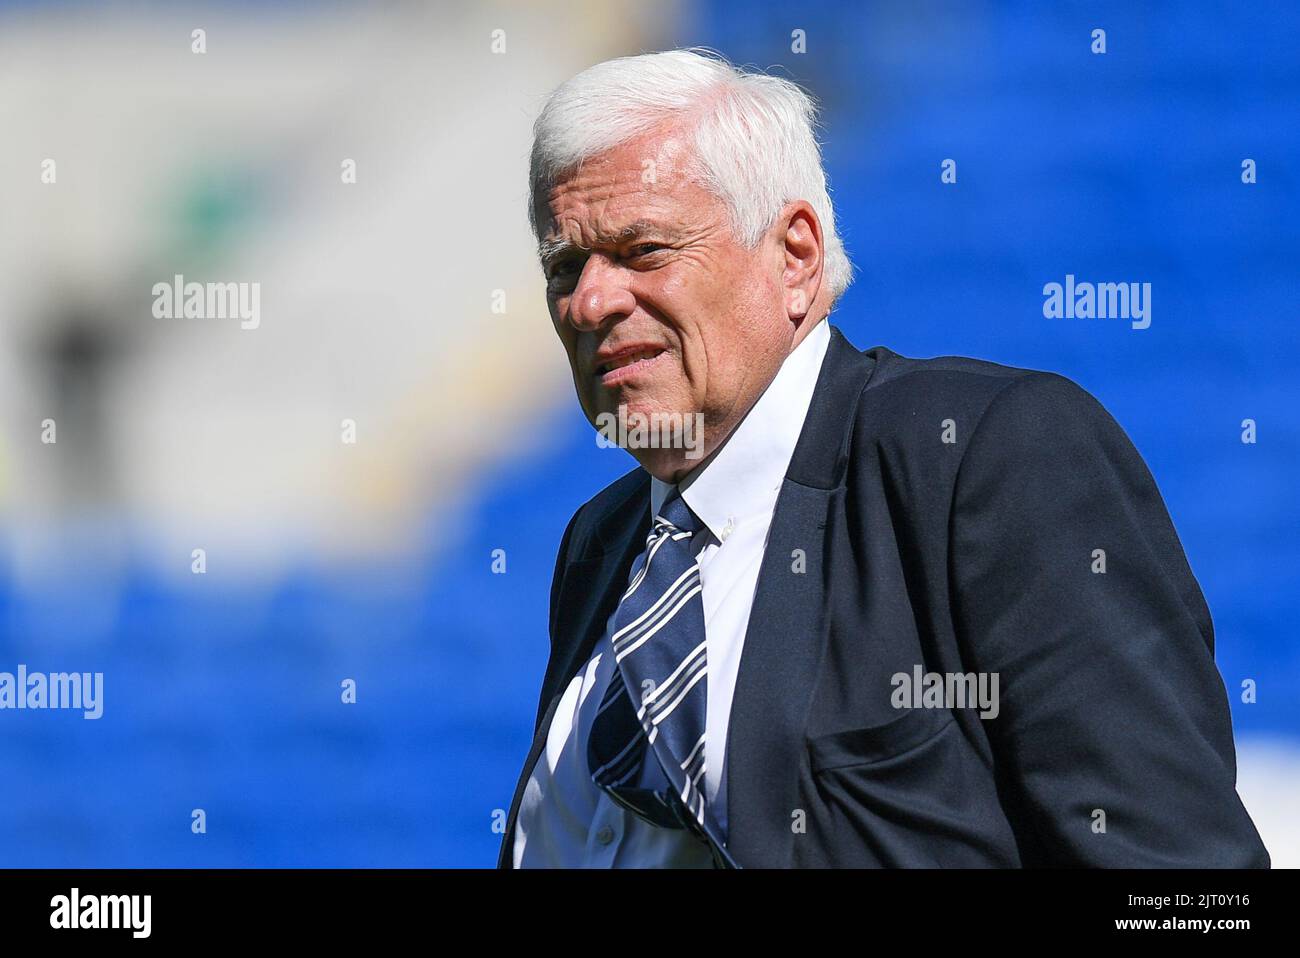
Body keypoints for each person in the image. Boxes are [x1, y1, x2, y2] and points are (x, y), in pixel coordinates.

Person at [498, 48, 1269, 868]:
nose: (589, 302)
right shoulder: (600, 543)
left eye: (643, 250)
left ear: (795, 256)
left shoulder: (984, 456)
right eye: (565, 267)